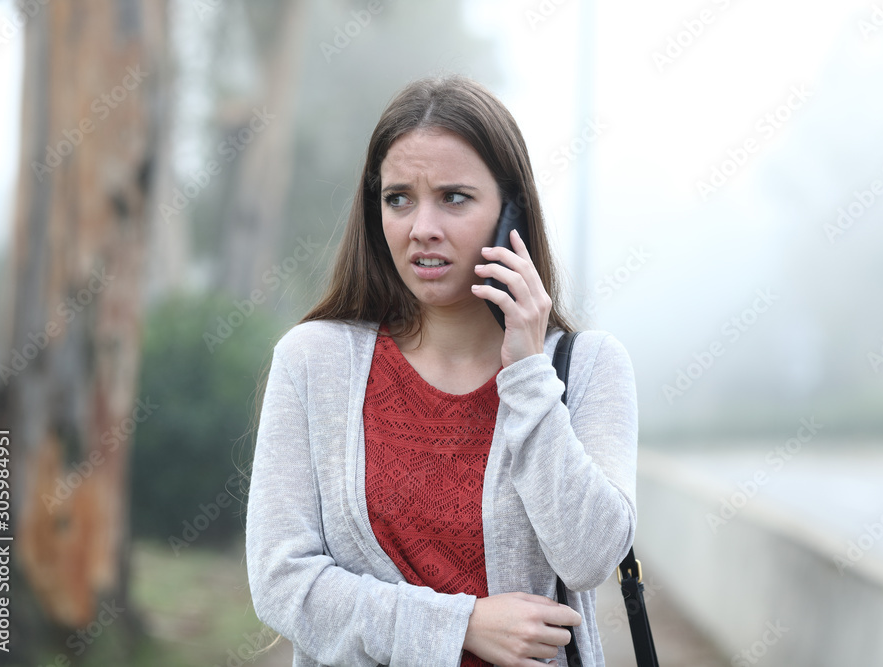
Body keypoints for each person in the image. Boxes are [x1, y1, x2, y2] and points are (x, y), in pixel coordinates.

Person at [245, 74, 638, 667]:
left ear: (510, 212)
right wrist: (461, 626)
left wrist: (529, 373)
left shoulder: (586, 367)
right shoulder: (312, 361)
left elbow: (589, 558)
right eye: (398, 198)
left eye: (454, 197)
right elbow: (282, 581)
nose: (421, 227)